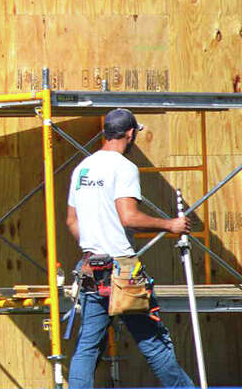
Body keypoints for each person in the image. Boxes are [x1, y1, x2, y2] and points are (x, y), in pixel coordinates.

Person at [65, 108, 193, 388]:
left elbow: (72, 221)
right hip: (122, 271)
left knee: (87, 347)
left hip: (90, 267)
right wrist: (170, 225)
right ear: (131, 133)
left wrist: (93, 246)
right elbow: (129, 218)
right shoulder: (123, 168)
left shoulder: (82, 168)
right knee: (154, 344)